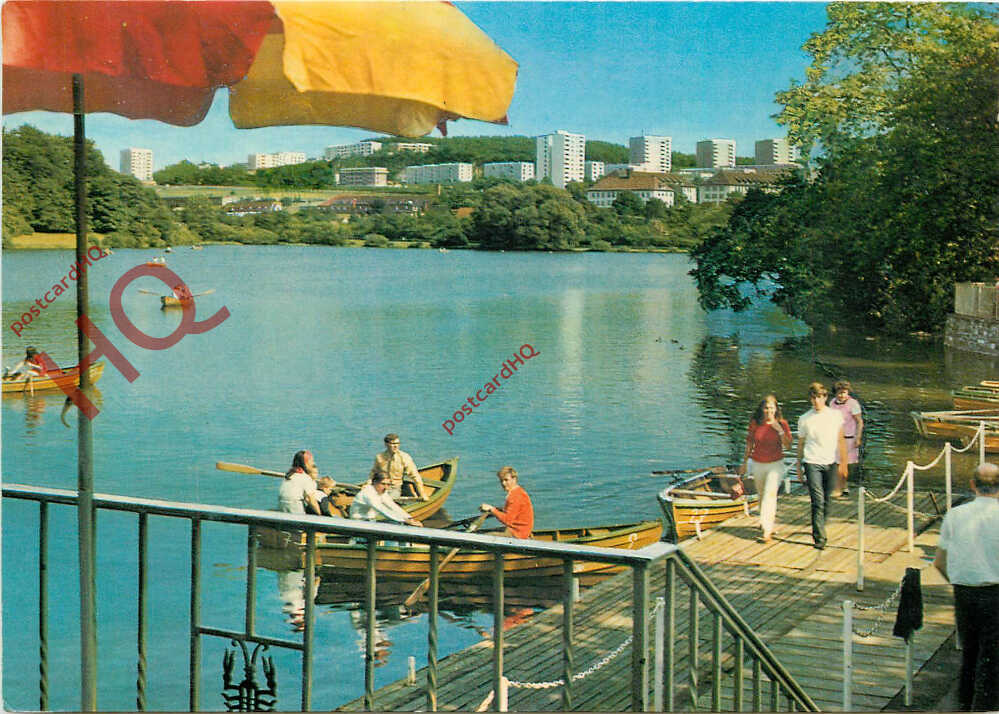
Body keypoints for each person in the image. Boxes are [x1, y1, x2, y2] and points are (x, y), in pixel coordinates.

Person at [933, 462, 999, 712]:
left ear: (973, 485)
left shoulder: (955, 515)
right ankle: (987, 706)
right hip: (995, 591)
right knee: (992, 654)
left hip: (964, 590)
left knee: (970, 651)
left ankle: (964, 702)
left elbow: (939, 562)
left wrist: (960, 580)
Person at [796, 382, 848, 550]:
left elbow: (841, 440)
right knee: (817, 501)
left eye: (819, 397)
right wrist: (798, 466)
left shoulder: (835, 416)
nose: (816, 401)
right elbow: (801, 443)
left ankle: (821, 524)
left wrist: (844, 463)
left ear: (825, 397)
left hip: (830, 461)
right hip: (812, 462)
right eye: (813, 398)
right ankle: (819, 537)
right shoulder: (804, 419)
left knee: (826, 500)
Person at [737, 394, 792, 543]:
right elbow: (749, 443)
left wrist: (779, 430)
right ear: (762, 409)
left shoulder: (782, 423)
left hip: (776, 464)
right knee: (761, 495)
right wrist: (744, 463)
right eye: (766, 408)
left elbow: (788, 445)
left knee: (769, 495)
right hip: (758, 463)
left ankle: (767, 531)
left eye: (772, 408)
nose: (769, 411)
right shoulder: (755, 423)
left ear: (776, 409)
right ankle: (764, 522)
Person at [828, 379, 864, 497]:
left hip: (849, 437)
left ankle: (840, 487)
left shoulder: (853, 404)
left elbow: (859, 422)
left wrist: (858, 437)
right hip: (835, 437)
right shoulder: (832, 403)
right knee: (837, 463)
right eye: (839, 393)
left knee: (844, 463)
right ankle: (843, 486)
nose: (842, 395)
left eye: (844, 392)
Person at [369, 433, 428, 500]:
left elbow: (415, 476)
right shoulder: (379, 457)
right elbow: (373, 473)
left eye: (397, 443)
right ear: (386, 444)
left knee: (387, 501)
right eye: (393, 444)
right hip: (380, 486)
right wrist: (368, 484)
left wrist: (422, 493)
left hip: (394, 487)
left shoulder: (404, 457)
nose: (396, 446)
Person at [349, 472, 421, 526]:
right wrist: (405, 520)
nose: (386, 487)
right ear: (374, 482)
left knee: (399, 523)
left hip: (371, 521)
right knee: (396, 523)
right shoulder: (368, 493)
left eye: (388, 484)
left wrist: (409, 518)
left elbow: (392, 506)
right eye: (383, 484)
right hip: (359, 523)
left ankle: (401, 546)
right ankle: (392, 546)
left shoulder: (381, 492)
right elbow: (382, 509)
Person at [480, 466, 533, 538]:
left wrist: (492, 509)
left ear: (514, 479)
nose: (503, 483)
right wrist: (495, 509)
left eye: (506, 480)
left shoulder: (515, 496)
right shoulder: (518, 491)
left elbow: (507, 520)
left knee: (484, 537)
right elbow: (511, 512)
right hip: (519, 530)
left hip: (517, 534)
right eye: (501, 480)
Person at [277, 450, 322, 515]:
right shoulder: (305, 478)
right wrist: (319, 514)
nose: (313, 463)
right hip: (294, 506)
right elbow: (311, 500)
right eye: (311, 461)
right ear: (305, 463)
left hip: (281, 505)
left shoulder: (289, 475)